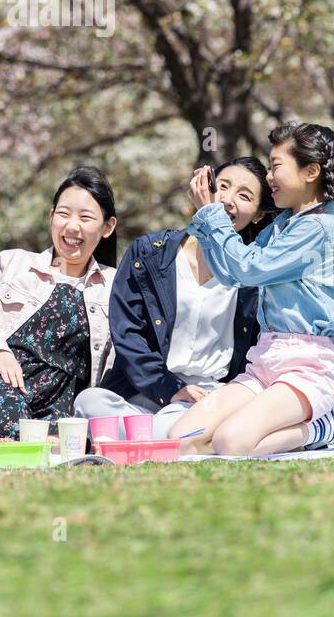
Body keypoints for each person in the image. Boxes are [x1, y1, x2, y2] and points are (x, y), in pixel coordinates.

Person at [169, 122, 334, 456]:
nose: (269, 177)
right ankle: (311, 424)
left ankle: (322, 426)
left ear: (311, 172)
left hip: (308, 364)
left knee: (230, 442)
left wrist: (210, 213)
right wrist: (208, 219)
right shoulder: (280, 227)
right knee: (181, 439)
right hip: (266, 359)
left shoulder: (320, 228)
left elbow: (250, 269)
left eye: (276, 166)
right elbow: (233, 274)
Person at [74, 157, 272, 438]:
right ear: (205, 186)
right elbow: (128, 335)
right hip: (147, 391)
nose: (228, 200)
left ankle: (156, 437)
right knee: (89, 402)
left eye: (244, 196)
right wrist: (170, 389)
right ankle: (168, 437)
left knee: (179, 426)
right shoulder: (148, 254)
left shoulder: (253, 275)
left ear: (257, 215)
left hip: (209, 398)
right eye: (223, 186)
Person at [0, 166, 116, 440]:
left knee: (71, 439)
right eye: (63, 214)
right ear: (51, 217)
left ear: (108, 227)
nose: (72, 226)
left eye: (86, 217)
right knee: (9, 418)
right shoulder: (11, 263)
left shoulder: (114, 286)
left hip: (60, 401)